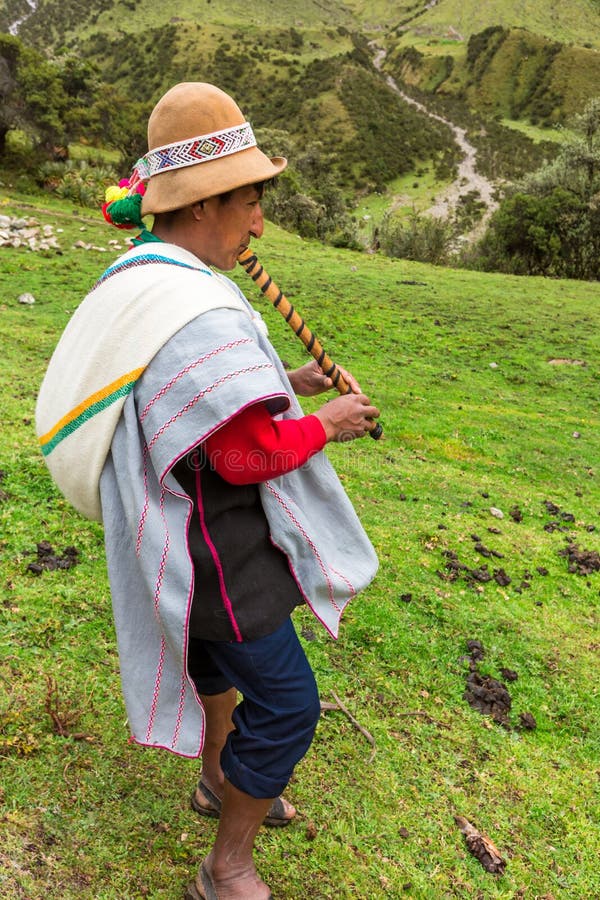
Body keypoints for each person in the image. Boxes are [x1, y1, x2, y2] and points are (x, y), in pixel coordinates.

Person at [35, 82, 379, 900]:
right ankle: (226, 869)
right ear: (202, 204)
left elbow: (189, 395)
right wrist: (326, 423)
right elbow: (242, 455)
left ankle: (215, 778)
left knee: (215, 661)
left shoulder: (148, 276)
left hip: (172, 533)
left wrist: (280, 378)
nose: (258, 224)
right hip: (217, 551)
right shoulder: (199, 312)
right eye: (250, 202)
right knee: (288, 704)